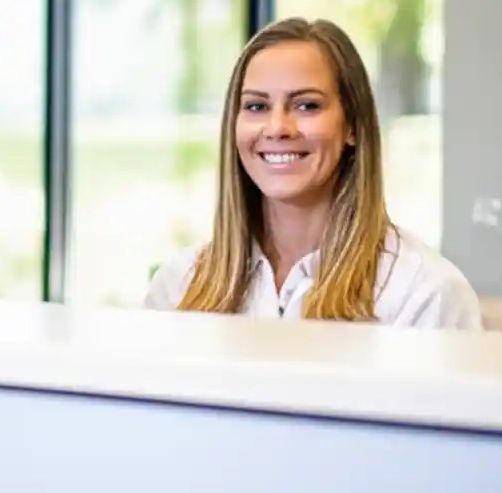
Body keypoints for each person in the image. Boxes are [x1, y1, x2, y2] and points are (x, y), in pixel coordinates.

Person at [144, 17, 481, 328]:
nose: (277, 127)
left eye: (306, 105)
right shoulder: (178, 287)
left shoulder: (425, 295)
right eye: (256, 106)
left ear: (352, 126)